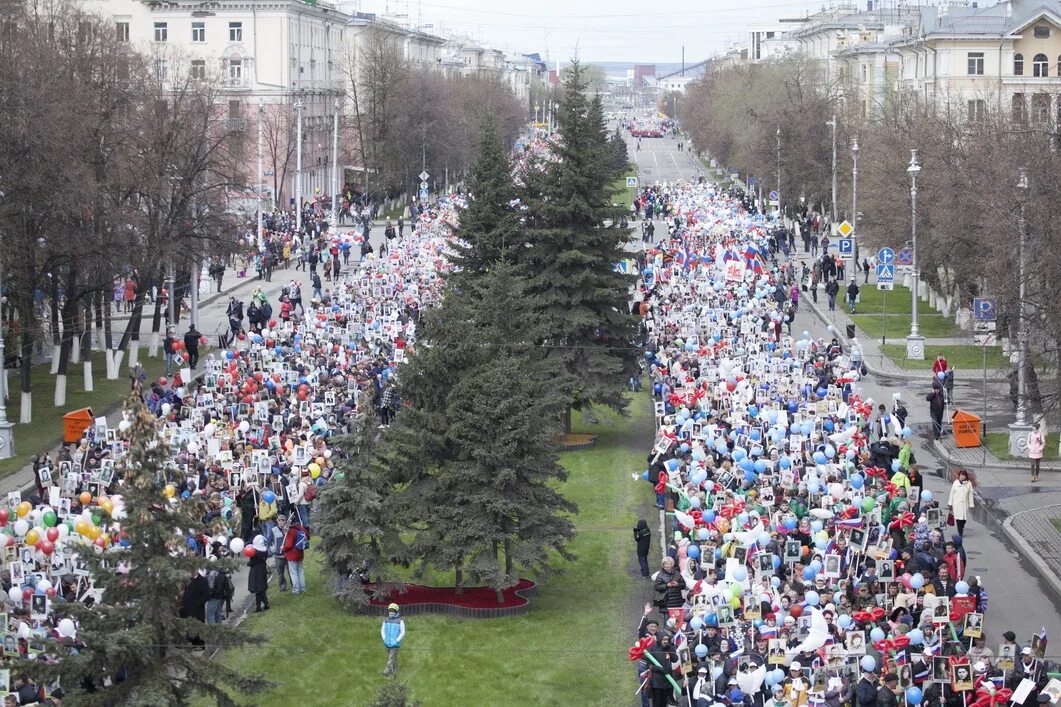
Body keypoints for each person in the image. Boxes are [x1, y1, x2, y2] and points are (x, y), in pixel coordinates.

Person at [281, 516, 310, 595]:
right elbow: (308, 536)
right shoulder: (301, 528)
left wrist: (283, 548)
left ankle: (296, 590)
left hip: (291, 555)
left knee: (293, 573)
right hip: (300, 553)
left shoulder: (291, 531)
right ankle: (303, 589)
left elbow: (289, 545)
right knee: (300, 571)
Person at [381, 602, 406, 677]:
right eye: (390, 611)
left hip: (395, 644)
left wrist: (397, 640)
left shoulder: (400, 621)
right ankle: (395, 671)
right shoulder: (386, 620)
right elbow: (382, 630)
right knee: (392, 658)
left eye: (393, 611)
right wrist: (384, 638)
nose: (391, 612)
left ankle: (387, 671)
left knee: (391, 658)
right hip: (387, 643)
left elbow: (402, 632)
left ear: (396, 612)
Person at [948, 469, 975, 536]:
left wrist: (971, 504)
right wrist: (950, 503)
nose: (962, 476)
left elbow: (970, 494)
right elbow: (952, 493)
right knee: (958, 518)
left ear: (966, 476)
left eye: (963, 475)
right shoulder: (956, 483)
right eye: (961, 475)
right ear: (959, 476)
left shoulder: (968, 484)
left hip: (964, 504)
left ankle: (961, 527)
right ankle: (960, 532)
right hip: (956, 504)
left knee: (963, 519)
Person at [247, 535, 269, 612]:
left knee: (258, 589)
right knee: (262, 588)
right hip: (262, 570)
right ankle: (266, 604)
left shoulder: (254, 552)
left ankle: (258, 607)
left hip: (256, 572)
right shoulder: (265, 550)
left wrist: (248, 563)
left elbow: (252, 562)